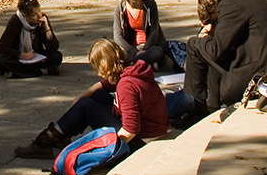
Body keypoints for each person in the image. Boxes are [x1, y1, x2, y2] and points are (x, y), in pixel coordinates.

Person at [13, 39, 169, 158]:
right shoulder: (134, 70)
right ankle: (60, 136)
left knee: (86, 106)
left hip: (141, 141)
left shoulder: (126, 86)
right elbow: (106, 85)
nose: (99, 74)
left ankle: (44, 143)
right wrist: (83, 94)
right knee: (96, 96)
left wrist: (106, 151)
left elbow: (130, 129)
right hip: (152, 131)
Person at [185, 0, 267, 116]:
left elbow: (215, 51)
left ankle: (195, 110)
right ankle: (211, 104)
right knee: (209, 46)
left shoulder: (229, 5)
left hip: (259, 78)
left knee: (195, 45)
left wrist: (205, 37)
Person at [112, 0, 179, 73]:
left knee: (157, 52)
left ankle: (132, 65)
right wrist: (133, 51)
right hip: (131, 48)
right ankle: (143, 63)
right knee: (116, 53)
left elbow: (154, 31)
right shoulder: (120, 9)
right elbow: (118, 36)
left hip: (150, 47)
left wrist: (145, 48)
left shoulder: (149, 5)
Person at [0, 0, 63, 78]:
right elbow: (2, 48)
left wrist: (47, 28)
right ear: (25, 15)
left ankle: (17, 72)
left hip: (34, 55)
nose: (39, 15)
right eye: (33, 15)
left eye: (39, 11)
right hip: (16, 55)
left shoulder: (42, 19)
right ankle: (42, 71)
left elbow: (53, 47)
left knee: (56, 56)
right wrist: (22, 55)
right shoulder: (16, 21)